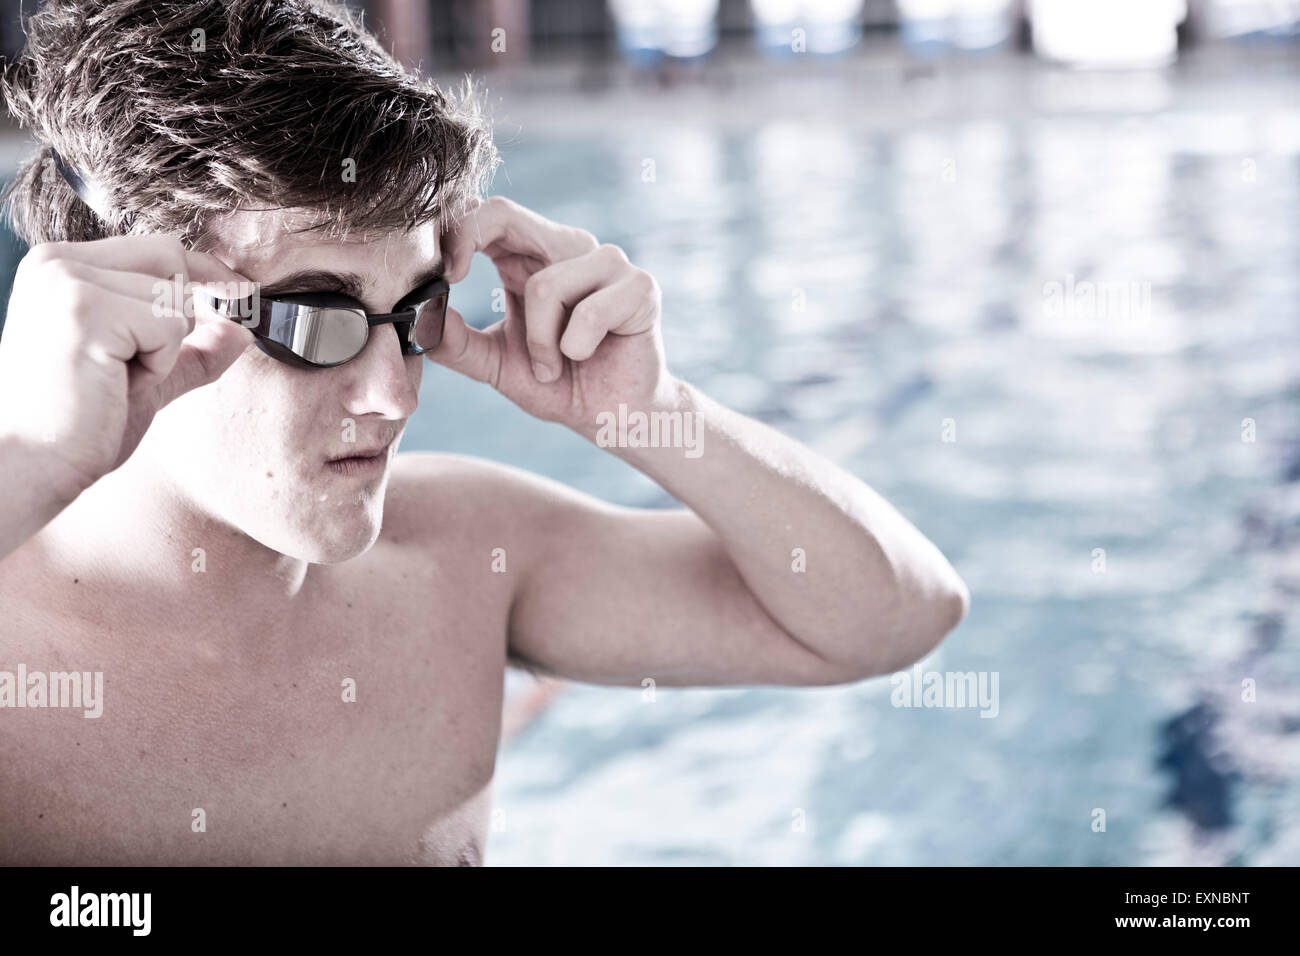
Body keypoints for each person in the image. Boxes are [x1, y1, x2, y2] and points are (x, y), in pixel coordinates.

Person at [0, 0, 968, 865]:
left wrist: (652, 410)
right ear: (121, 306)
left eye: (413, 311)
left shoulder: (464, 550)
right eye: (313, 319)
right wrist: (33, 462)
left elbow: (889, 619)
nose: (391, 395)